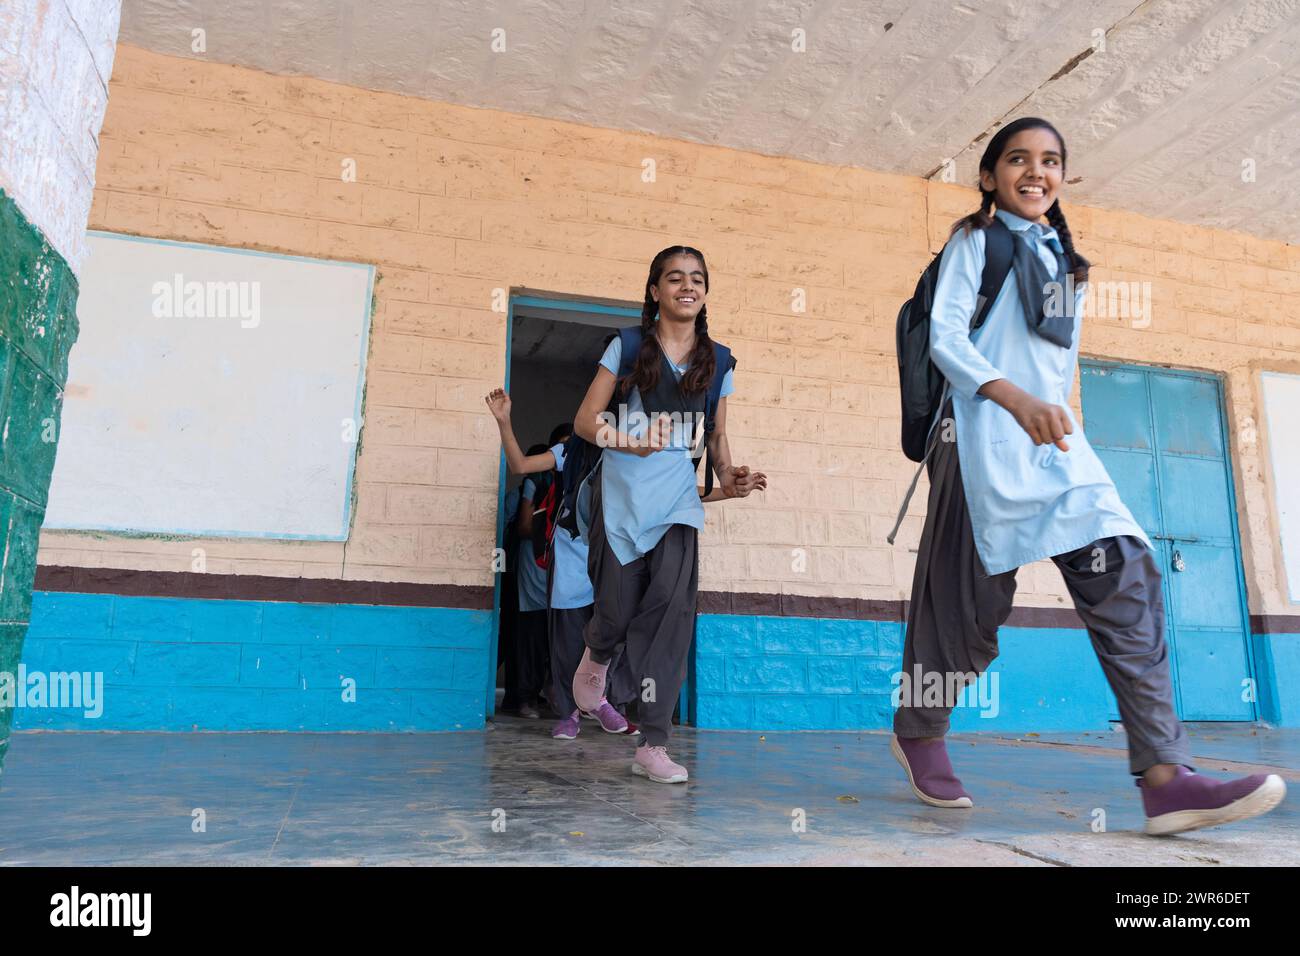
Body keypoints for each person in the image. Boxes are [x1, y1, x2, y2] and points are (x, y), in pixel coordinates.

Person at [891, 116, 1286, 835]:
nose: (1035, 171)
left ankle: (1165, 777)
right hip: (980, 442)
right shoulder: (973, 242)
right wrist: (1014, 400)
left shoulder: (1067, 266)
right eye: (1017, 159)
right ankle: (920, 727)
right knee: (963, 615)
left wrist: (1061, 427)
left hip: (1056, 449)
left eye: (1051, 161)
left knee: (1128, 572)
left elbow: (1056, 369)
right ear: (989, 176)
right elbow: (948, 341)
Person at [569, 245, 767, 785]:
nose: (687, 285)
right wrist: (629, 443)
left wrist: (730, 478)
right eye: (674, 277)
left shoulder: (719, 360)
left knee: (672, 615)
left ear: (705, 291)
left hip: (678, 501)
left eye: (697, 278)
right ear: (654, 289)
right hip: (622, 498)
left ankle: (653, 742)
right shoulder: (628, 346)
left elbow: (719, 435)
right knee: (616, 609)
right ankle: (598, 654)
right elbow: (586, 423)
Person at [483, 399, 640, 739]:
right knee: (568, 642)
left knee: (613, 637)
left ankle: (605, 704)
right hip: (571, 560)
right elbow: (520, 464)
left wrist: (725, 491)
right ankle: (569, 712)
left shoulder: (629, 453)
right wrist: (504, 421)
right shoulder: (571, 451)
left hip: (613, 559)